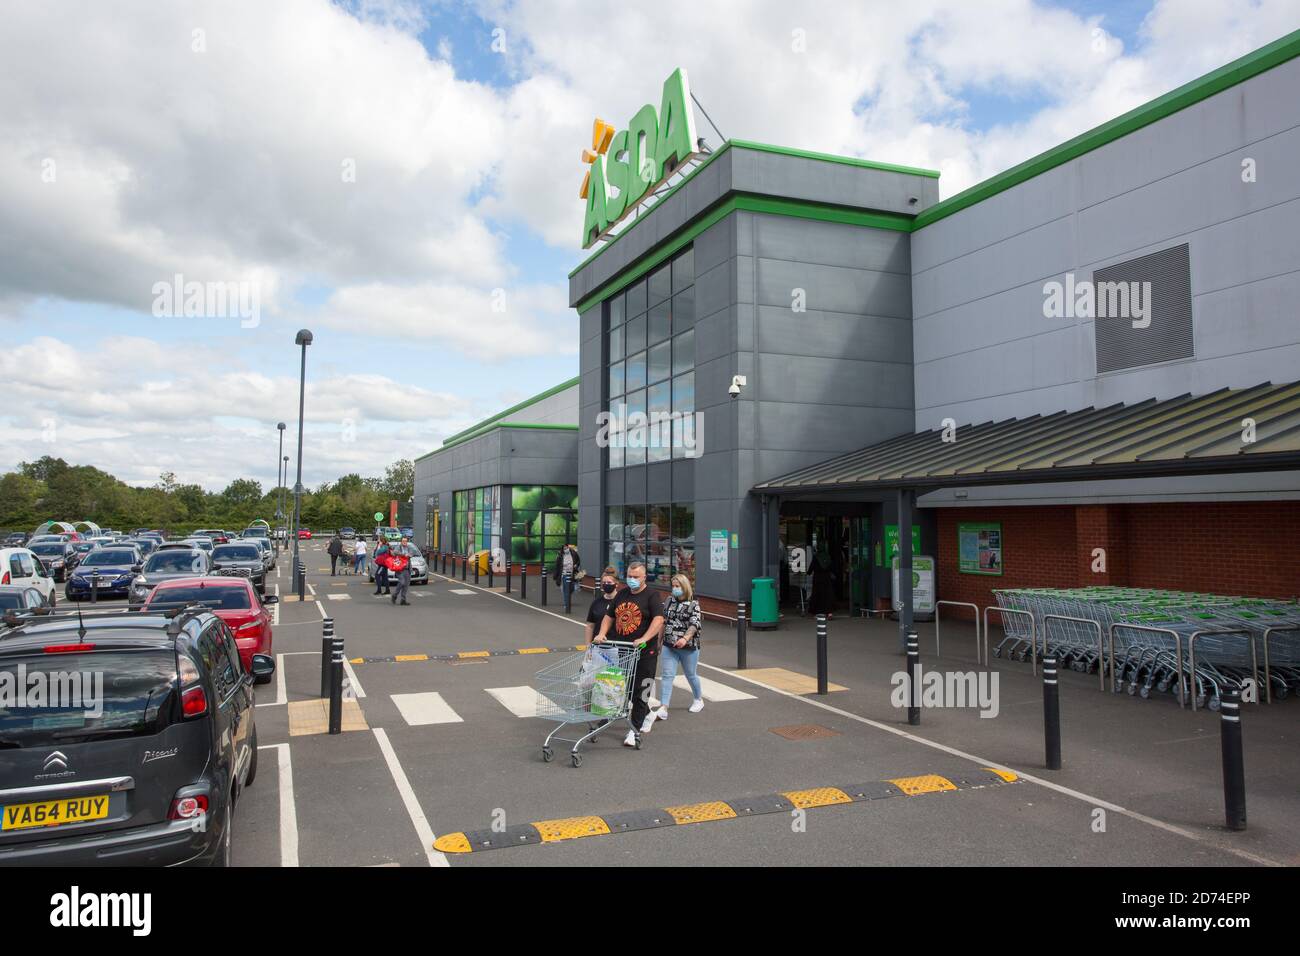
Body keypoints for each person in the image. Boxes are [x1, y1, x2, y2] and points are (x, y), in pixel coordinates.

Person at [594, 560, 664, 747]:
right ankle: (648, 714)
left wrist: (644, 638)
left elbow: (658, 620)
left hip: (644, 651)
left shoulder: (652, 595)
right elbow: (609, 617)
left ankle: (634, 730)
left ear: (644, 577)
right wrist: (602, 633)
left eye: (636, 577)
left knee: (641, 690)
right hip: (623, 649)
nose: (632, 580)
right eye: (630, 577)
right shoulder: (623, 593)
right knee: (625, 688)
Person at [655, 573, 704, 719]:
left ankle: (698, 699)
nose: (674, 589)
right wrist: (659, 641)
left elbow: (695, 624)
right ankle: (664, 707)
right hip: (669, 645)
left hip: (688, 647)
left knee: (690, 675)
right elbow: (664, 621)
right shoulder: (669, 600)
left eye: (678, 586)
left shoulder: (694, 604)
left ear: (685, 587)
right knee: (667, 675)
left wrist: (685, 638)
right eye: (673, 586)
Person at [585, 566, 624, 645]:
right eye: (604, 583)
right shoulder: (596, 603)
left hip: (617, 646)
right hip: (598, 645)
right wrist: (587, 646)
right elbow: (590, 626)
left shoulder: (622, 602)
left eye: (609, 583)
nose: (606, 585)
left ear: (616, 584)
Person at [552, 543, 581, 612]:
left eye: (566, 548)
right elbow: (557, 566)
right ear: (562, 549)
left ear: (568, 547)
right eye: (564, 548)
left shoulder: (573, 553)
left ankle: (568, 597)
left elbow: (578, 561)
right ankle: (566, 604)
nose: (566, 549)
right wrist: (556, 576)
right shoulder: (560, 556)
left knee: (573, 588)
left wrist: (576, 565)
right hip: (564, 574)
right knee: (566, 590)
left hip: (573, 574)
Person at [809, 554, 835, 619]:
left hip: (817, 579)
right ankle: (829, 613)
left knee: (817, 595)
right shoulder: (828, 557)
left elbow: (811, 568)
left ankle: (817, 612)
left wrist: (808, 572)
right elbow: (832, 568)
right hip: (827, 579)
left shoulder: (816, 557)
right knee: (828, 595)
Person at [388, 538, 411, 606]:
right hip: (400, 569)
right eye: (403, 541)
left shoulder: (409, 548)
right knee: (402, 582)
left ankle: (403, 600)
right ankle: (394, 596)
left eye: (406, 541)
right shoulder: (398, 547)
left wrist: (409, 555)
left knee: (406, 585)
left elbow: (412, 553)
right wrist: (404, 555)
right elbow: (395, 552)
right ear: (401, 542)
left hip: (407, 568)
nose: (404, 542)